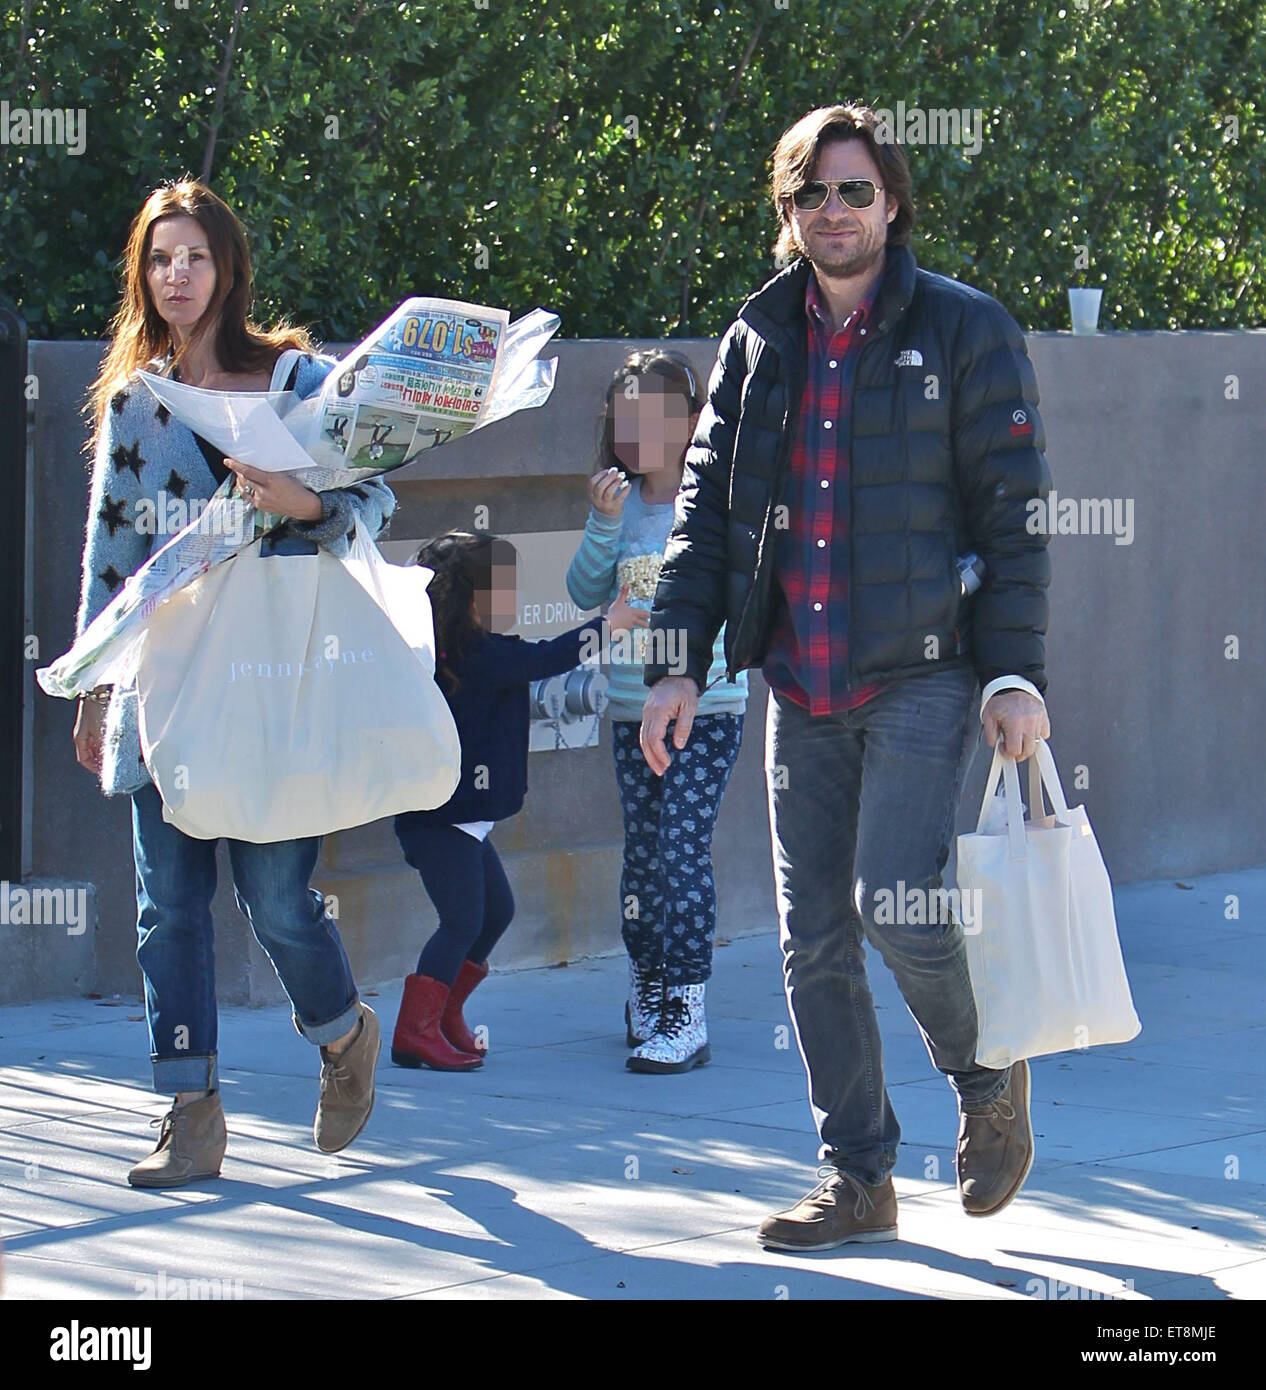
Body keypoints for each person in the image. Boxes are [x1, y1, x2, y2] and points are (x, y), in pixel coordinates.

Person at [639, 103, 1052, 1247]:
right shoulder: (756, 339)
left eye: (856, 191)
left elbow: (1014, 518)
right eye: (813, 194)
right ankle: (862, 1178)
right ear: (788, 213)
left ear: (893, 203)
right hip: (799, 680)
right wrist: (675, 667)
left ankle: (983, 1076)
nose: (835, 211)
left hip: (924, 671)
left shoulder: (965, 330)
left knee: (891, 896)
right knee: (810, 933)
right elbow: (703, 521)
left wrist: (1012, 675)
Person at [73, 179, 395, 1186]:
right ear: (143, 273)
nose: (178, 275)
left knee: (274, 898)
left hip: (275, 678)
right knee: (166, 905)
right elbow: (109, 556)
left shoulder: (298, 382)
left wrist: (302, 499)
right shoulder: (133, 401)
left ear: (228, 268)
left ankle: (342, 1034)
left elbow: (375, 497)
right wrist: (91, 689)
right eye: (160, 258)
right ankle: (189, 1112)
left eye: (195, 256)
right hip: (163, 686)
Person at [390, 532, 642, 1070]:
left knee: (495, 912)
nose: (516, 600)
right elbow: (548, 656)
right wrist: (609, 625)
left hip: (461, 817)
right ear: (472, 598)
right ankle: (415, 1032)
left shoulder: (468, 651)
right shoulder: (471, 654)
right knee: (461, 921)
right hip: (441, 819)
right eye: (504, 589)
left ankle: (444, 1015)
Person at [567, 351, 749, 1074]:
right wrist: (605, 523)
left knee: (681, 851)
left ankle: (687, 1005)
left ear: (691, 421)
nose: (640, 431)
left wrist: (669, 626)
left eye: (658, 415)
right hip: (627, 708)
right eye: (627, 417)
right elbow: (585, 590)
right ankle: (646, 981)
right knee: (643, 860)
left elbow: (737, 597)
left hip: (709, 707)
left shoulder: (714, 500)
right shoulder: (617, 505)